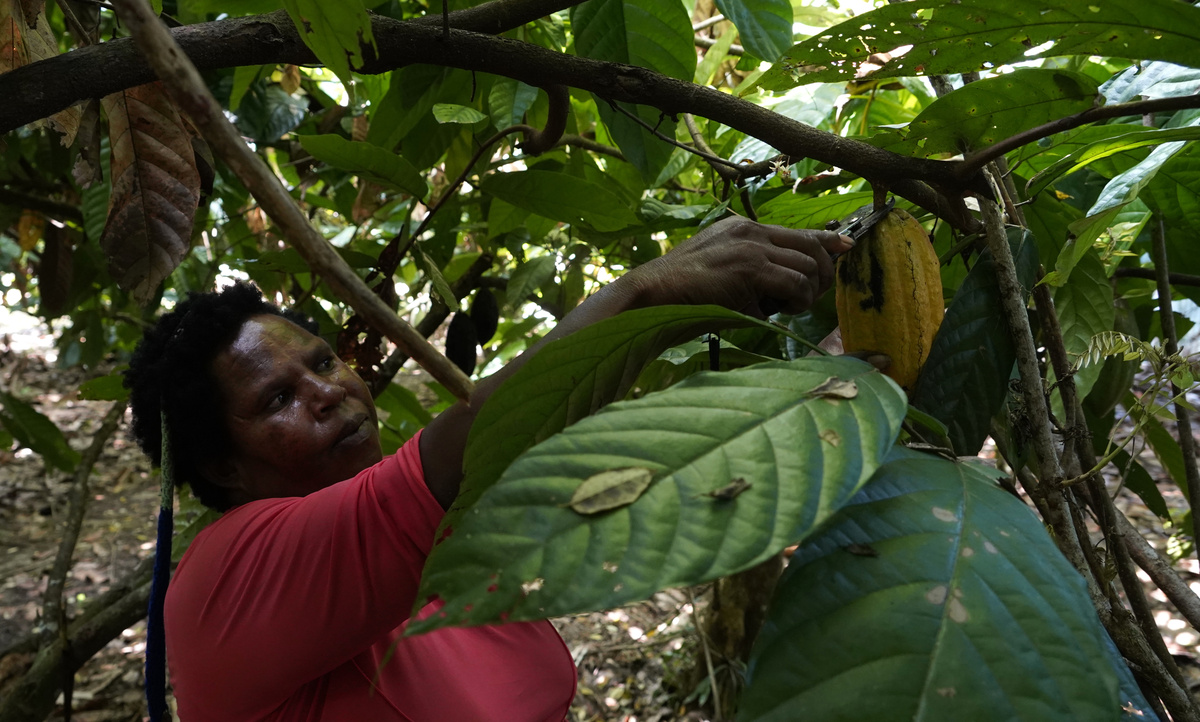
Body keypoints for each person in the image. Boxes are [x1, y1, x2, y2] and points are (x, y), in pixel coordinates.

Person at [124, 217, 854, 722]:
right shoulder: (228, 574)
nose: (329, 391)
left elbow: (590, 447)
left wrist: (827, 371)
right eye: (279, 398)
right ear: (225, 466)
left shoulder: (439, 538)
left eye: (322, 362)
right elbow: (465, 445)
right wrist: (650, 289)